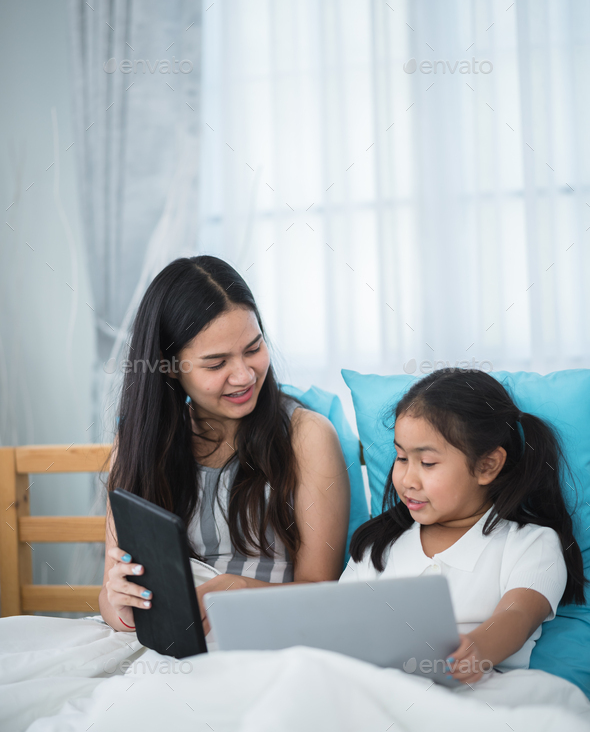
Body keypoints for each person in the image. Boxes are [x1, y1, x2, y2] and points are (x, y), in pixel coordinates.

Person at [99, 255, 350, 634]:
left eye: (253, 348)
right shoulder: (138, 443)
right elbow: (111, 593)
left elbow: (321, 593)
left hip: (274, 634)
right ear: (168, 367)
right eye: (216, 364)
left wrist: (244, 591)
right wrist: (121, 605)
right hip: (171, 642)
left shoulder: (307, 436)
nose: (245, 375)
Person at [341, 368, 586, 684]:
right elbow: (342, 626)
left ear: (487, 466)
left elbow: (519, 614)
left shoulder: (531, 544)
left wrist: (479, 648)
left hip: (482, 698)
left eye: (427, 463)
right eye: (401, 458)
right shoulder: (376, 546)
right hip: (380, 694)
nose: (406, 480)